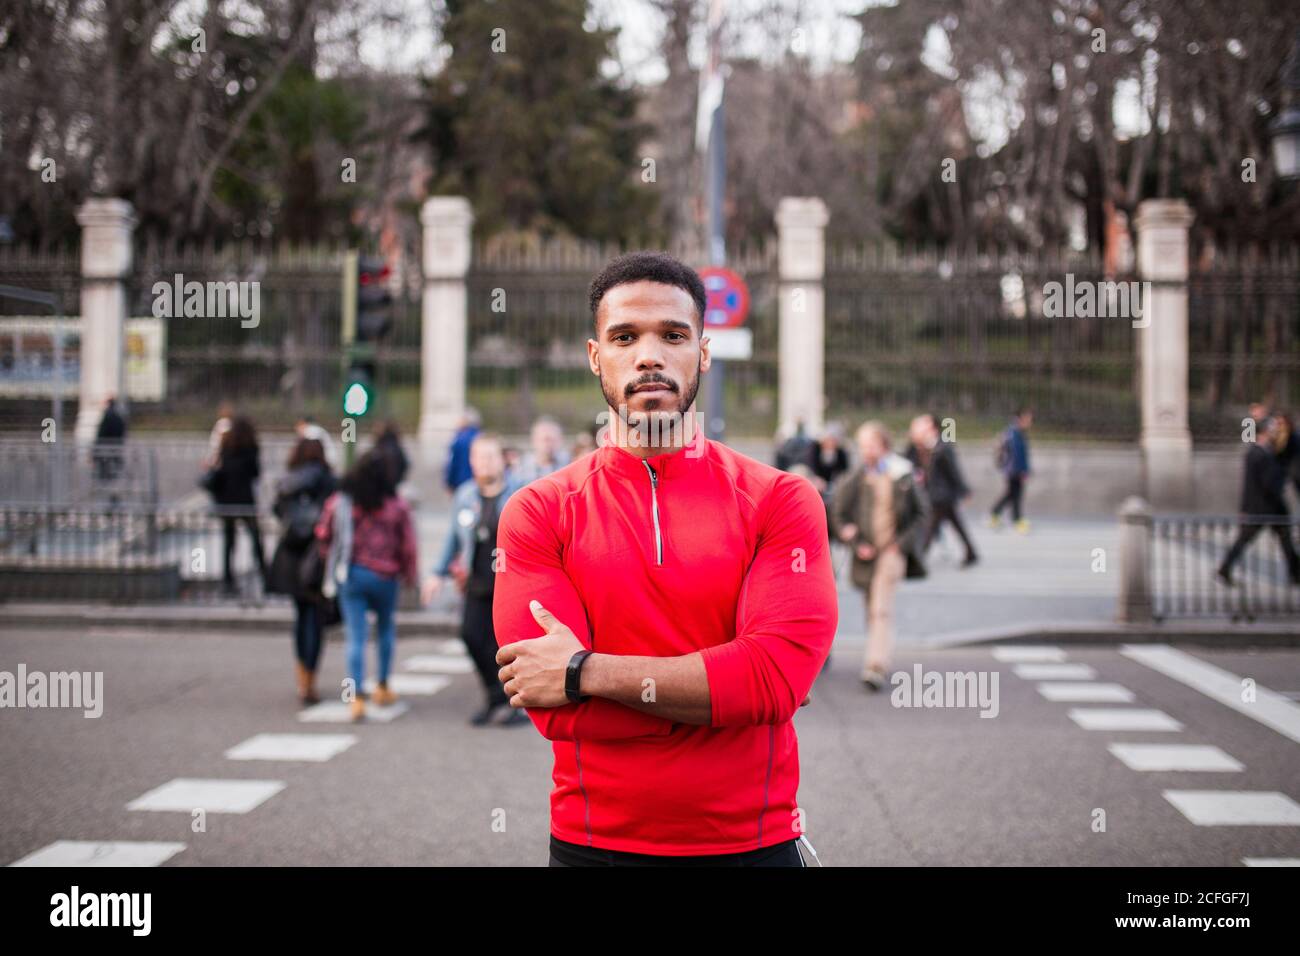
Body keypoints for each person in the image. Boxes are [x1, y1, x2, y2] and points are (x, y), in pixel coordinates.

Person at [491, 251, 837, 867]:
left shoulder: (782, 499)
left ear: (702, 352)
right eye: (624, 337)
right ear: (596, 356)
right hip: (592, 847)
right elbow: (549, 712)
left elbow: (773, 681)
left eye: (673, 336)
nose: (648, 355)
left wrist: (580, 673)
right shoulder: (538, 511)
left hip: (752, 845)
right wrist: (728, 694)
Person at [422, 432, 526, 726]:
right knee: (471, 636)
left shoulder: (519, 492)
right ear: (471, 461)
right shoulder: (465, 496)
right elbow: (453, 541)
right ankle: (495, 697)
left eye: (491, 457)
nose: (485, 463)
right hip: (477, 581)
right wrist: (437, 574)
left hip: (510, 584)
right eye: (479, 457)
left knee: (503, 647)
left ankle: (513, 704)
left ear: (502, 460)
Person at [316, 450, 419, 721]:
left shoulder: (343, 502)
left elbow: (324, 533)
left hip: (353, 575)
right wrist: (410, 573)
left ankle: (356, 696)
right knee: (385, 630)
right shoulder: (396, 504)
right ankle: (383, 685)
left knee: (356, 636)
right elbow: (408, 544)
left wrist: (331, 560)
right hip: (386, 577)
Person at [831, 421, 929, 691]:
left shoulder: (901, 474)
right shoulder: (858, 476)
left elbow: (922, 514)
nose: (866, 451)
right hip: (865, 554)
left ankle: (875, 665)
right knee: (871, 609)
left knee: (880, 609)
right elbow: (838, 511)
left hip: (891, 552)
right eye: (862, 446)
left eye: (871, 445)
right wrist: (851, 537)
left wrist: (902, 544)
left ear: (883, 445)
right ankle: (879, 653)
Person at [266, 438, 337, 705]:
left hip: (291, 556)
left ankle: (302, 680)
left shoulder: (288, 480)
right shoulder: (328, 481)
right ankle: (311, 678)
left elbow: (276, 510)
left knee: (300, 617)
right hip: (316, 557)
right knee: (314, 620)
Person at [1218, 416, 1300, 587]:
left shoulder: (1266, 452)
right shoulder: (1257, 454)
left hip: (1273, 506)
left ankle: (1295, 572)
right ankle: (1225, 568)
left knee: (1286, 540)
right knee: (1244, 539)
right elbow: (1261, 484)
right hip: (1261, 507)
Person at [907, 413, 978, 567]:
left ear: (933, 428)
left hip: (942, 495)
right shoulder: (921, 446)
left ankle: (919, 557)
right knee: (953, 524)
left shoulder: (943, 446)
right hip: (934, 493)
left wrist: (964, 490)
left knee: (930, 526)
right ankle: (971, 552)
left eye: (925, 424)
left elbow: (954, 470)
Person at [206, 417, 267, 595]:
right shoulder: (251, 449)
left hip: (226, 500)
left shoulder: (226, 447)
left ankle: (227, 579)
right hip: (245, 499)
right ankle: (264, 573)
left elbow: (221, 470)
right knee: (255, 538)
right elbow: (256, 473)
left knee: (229, 541)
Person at [989, 406, 1032, 533]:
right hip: (1014, 470)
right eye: (1027, 419)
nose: (1030, 422)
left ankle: (1000, 515)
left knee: (1013, 494)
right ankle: (1014, 519)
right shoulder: (1014, 433)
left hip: (1014, 470)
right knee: (1015, 494)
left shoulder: (1016, 432)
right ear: (1019, 419)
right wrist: (1022, 470)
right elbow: (1017, 454)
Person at [511, 416, 570, 485]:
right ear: (534, 440)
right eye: (546, 439)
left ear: (560, 440)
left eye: (553, 440)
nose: (549, 444)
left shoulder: (568, 464)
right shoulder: (521, 468)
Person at [92, 395, 127, 486]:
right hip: (116, 447)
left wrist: (95, 450)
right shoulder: (119, 416)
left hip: (105, 448)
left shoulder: (108, 416)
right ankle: (113, 487)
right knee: (115, 468)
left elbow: (101, 433)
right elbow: (122, 432)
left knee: (104, 472)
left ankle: (106, 487)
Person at [444, 408, 481, 494]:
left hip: (461, 482)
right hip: (479, 481)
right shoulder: (481, 437)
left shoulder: (459, 440)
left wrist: (449, 483)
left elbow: (453, 463)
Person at [372, 420, 409, 489]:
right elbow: (405, 464)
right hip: (394, 484)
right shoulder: (395, 447)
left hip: (382, 486)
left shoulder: (381, 447)